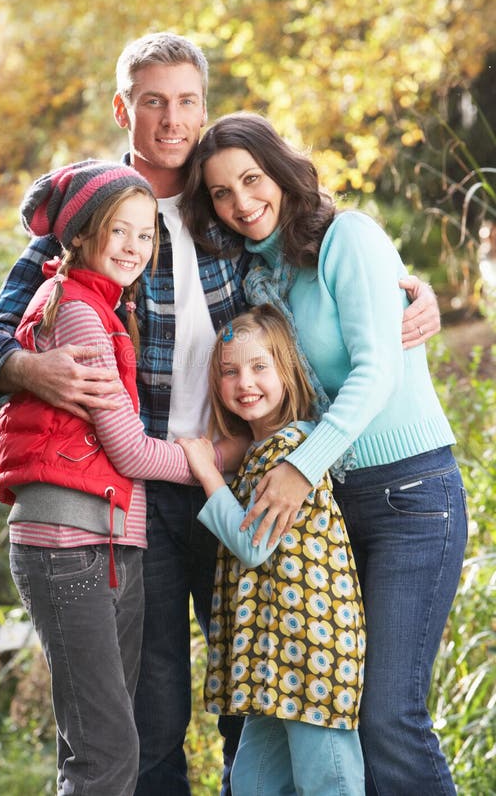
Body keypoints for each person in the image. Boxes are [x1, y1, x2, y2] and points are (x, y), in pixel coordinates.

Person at [0, 32, 441, 795]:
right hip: (136, 493)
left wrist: (408, 288)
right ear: (125, 109)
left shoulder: (230, 209)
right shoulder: (93, 214)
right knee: (152, 715)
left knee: (253, 700)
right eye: (153, 102)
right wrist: (28, 366)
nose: (171, 119)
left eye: (186, 101)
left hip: (241, 480)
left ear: (203, 107)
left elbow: (321, 254)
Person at [181, 111, 468, 795]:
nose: (242, 202)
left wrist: (298, 467)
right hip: (337, 510)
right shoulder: (259, 279)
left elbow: (376, 370)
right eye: (222, 192)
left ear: (280, 170)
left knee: (390, 718)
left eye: (251, 179)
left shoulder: (350, 239)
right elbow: (283, 391)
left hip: (410, 496)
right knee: (346, 713)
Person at [0, 159, 219, 796]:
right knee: (107, 755)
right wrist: (221, 457)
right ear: (84, 233)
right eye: (118, 231)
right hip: (68, 548)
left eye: (145, 235)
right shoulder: (80, 314)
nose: (133, 247)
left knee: (101, 746)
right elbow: (133, 453)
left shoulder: (104, 308)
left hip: (106, 544)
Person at [178, 304, 366, 796]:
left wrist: (207, 473)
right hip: (270, 657)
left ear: (287, 370)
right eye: (230, 371)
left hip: (307, 655)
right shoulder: (264, 450)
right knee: (252, 782)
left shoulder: (290, 452)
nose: (246, 381)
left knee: (327, 780)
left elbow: (252, 545)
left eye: (260, 366)